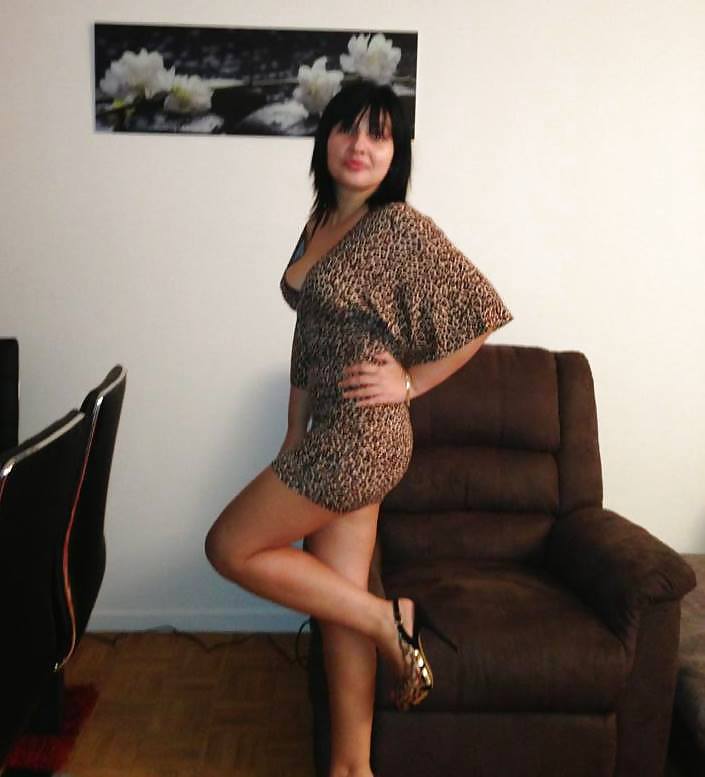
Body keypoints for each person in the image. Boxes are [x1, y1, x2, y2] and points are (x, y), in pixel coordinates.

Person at [205, 79, 513, 777]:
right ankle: (352, 766)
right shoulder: (321, 219)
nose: (360, 146)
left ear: (396, 153)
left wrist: (410, 382)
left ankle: (385, 619)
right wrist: (293, 433)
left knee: (228, 545)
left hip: (363, 437)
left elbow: (482, 313)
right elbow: (308, 342)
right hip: (328, 431)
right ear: (326, 138)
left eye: (379, 134)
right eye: (348, 128)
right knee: (336, 602)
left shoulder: (398, 227)